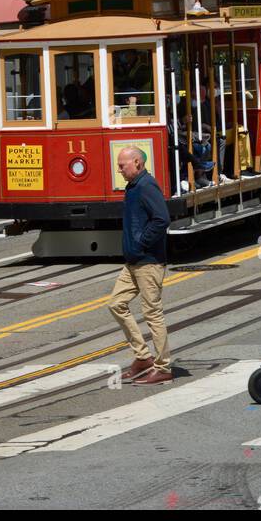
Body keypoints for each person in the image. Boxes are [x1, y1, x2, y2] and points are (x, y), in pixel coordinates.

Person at [108, 146, 173, 384]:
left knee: (152, 313)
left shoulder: (146, 186)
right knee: (116, 303)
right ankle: (143, 357)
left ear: (137, 162)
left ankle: (163, 366)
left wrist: (141, 243)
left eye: (123, 165)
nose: (119, 169)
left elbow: (162, 219)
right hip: (134, 261)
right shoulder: (134, 187)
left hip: (149, 261)